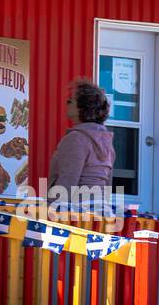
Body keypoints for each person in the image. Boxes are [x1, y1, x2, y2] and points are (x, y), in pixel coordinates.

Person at [47, 78, 115, 213]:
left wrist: (49, 211)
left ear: (82, 108)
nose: (67, 103)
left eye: (70, 100)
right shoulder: (107, 141)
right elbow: (107, 185)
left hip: (75, 215)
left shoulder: (75, 139)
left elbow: (67, 183)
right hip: (98, 214)